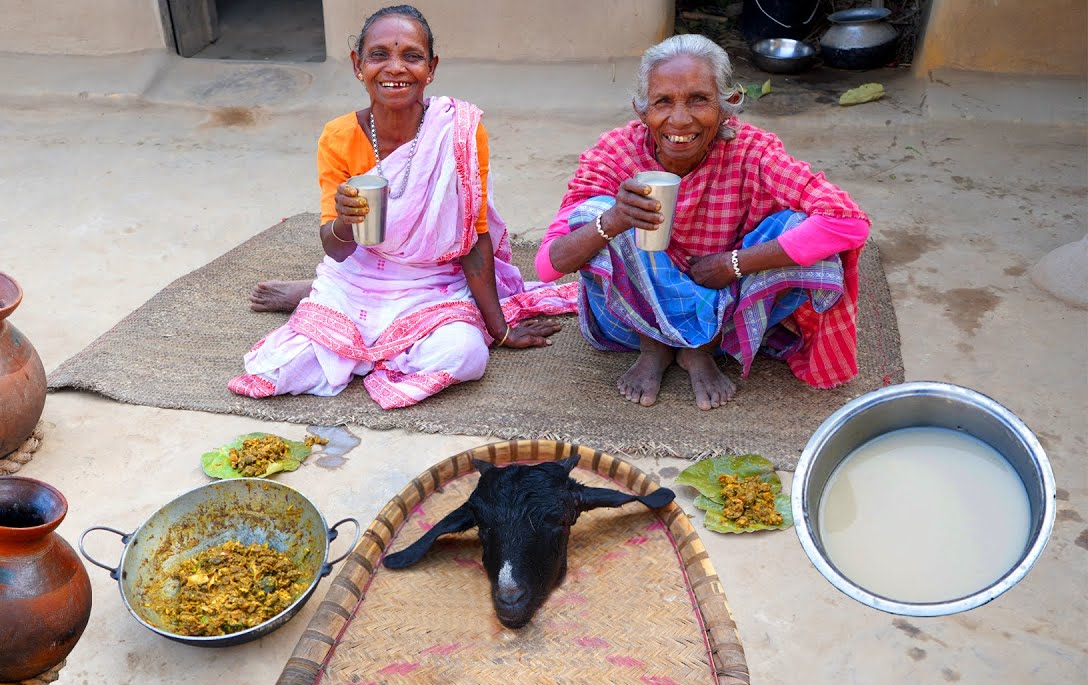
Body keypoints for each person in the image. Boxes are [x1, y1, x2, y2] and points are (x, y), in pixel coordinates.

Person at [230, 5, 575, 409]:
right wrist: (344, 220)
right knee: (275, 370)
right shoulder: (338, 136)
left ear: (431, 68)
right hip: (357, 276)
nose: (395, 68)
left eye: (411, 56)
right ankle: (323, 300)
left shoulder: (458, 130)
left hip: (433, 281)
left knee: (465, 354)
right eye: (379, 55)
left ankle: (336, 318)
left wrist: (499, 331)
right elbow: (337, 248)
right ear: (358, 66)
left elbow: (473, 236)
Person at [537, 34, 870, 411]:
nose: (680, 119)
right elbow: (548, 264)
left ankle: (701, 348)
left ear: (727, 105)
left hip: (720, 312)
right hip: (630, 323)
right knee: (590, 214)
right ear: (642, 110)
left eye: (699, 99)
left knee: (803, 229)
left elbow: (849, 223)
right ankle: (656, 346)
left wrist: (735, 264)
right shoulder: (615, 152)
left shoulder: (752, 151)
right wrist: (614, 218)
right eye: (663, 102)